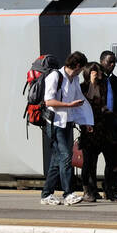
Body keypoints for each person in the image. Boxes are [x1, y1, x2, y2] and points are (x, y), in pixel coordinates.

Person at [40, 52, 92, 206]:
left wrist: (86, 122)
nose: (82, 72)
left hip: (67, 123)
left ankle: (46, 194)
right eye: (82, 68)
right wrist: (68, 105)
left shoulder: (74, 79)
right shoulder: (56, 76)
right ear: (77, 66)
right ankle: (68, 193)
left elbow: (79, 100)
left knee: (56, 161)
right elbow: (48, 101)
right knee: (66, 157)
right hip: (55, 124)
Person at [80, 62, 115, 202]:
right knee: (89, 161)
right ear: (89, 72)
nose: (98, 73)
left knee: (110, 159)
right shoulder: (83, 87)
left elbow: (104, 103)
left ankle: (108, 188)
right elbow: (83, 104)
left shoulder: (103, 86)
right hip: (89, 129)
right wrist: (91, 83)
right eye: (95, 71)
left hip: (102, 127)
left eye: (99, 71)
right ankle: (88, 189)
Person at [100, 50, 117, 201]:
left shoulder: (116, 82)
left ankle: (112, 188)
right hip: (101, 125)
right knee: (108, 159)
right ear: (102, 61)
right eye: (110, 62)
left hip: (115, 125)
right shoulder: (97, 79)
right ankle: (102, 189)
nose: (112, 65)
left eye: (114, 62)